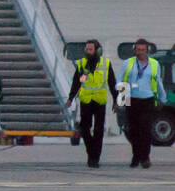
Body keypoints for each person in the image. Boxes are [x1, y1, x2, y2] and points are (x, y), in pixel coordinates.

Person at [65, 39, 117, 168]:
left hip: (99, 101)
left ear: (97, 51)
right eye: (86, 49)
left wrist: (116, 100)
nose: (88, 52)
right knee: (85, 128)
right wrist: (71, 98)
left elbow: (112, 83)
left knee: (99, 130)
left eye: (90, 49)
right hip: (86, 101)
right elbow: (77, 82)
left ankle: (95, 158)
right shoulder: (82, 64)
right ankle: (91, 152)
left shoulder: (105, 64)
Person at [119, 39, 167, 168]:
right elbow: (121, 81)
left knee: (145, 129)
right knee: (133, 130)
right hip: (132, 99)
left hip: (147, 99)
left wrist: (163, 99)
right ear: (135, 50)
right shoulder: (127, 63)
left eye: (143, 50)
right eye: (138, 50)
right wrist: (122, 100)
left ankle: (145, 157)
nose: (140, 52)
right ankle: (136, 155)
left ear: (147, 51)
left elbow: (158, 82)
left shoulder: (154, 64)